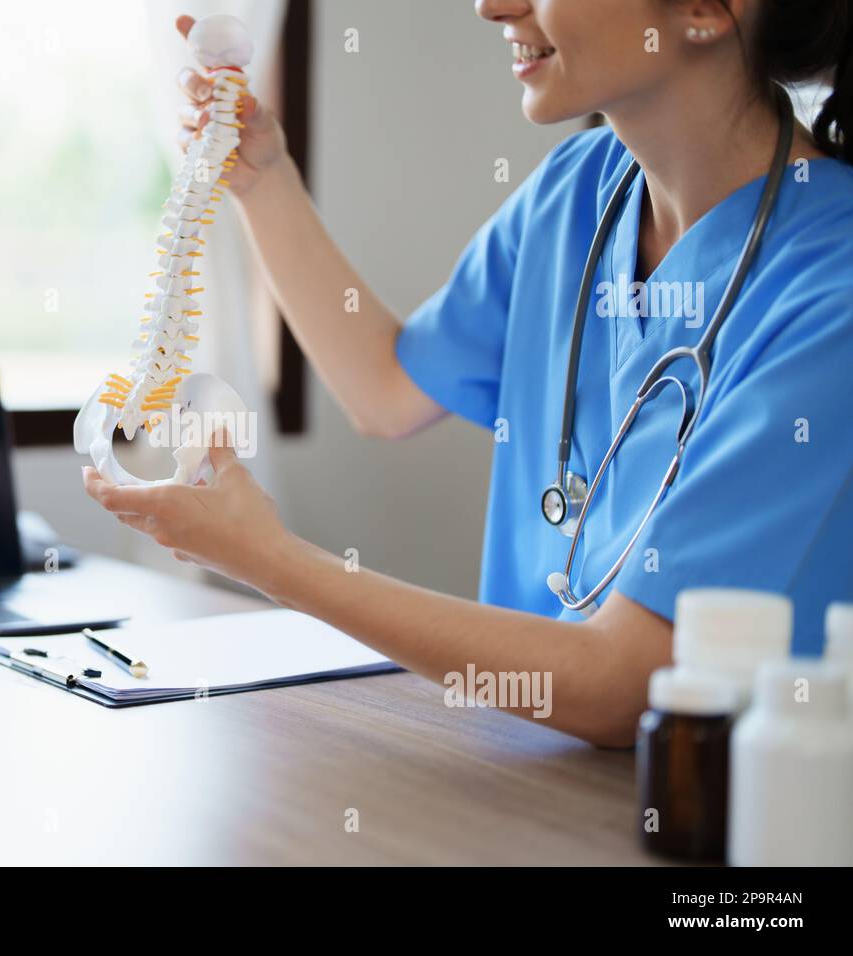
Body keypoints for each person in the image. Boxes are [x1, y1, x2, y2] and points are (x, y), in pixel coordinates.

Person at [84, 1, 853, 745]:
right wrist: (262, 176)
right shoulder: (577, 192)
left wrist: (273, 563)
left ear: (705, 10)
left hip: (712, 822)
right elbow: (386, 387)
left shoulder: (833, 282)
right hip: (520, 766)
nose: (491, 5)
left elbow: (628, 682)